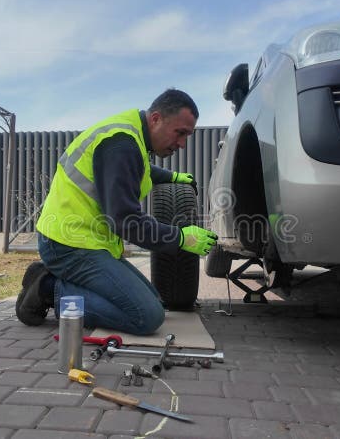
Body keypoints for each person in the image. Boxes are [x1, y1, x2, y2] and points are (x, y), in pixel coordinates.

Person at [16, 88, 218, 335]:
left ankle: (67, 283)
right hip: (68, 244)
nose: (183, 144)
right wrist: (181, 238)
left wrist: (173, 176)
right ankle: (48, 287)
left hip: (86, 239)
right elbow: (126, 222)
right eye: (180, 133)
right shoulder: (121, 144)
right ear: (156, 119)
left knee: (154, 299)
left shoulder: (132, 136)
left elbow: (140, 170)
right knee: (146, 316)